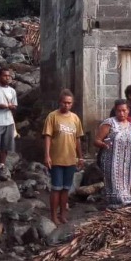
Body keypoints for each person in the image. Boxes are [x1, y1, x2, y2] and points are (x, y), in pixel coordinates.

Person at [42, 89, 85, 225]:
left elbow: (77, 139)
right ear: (60, 102)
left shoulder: (75, 118)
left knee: (66, 188)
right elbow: (47, 137)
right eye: (64, 102)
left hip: (70, 159)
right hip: (56, 159)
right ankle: (53, 215)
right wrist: (47, 155)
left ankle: (63, 215)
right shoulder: (52, 116)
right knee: (56, 188)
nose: (66, 105)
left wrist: (80, 157)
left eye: (69, 103)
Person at [94, 99, 131, 210]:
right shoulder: (109, 123)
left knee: (125, 183)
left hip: (126, 162)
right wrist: (104, 145)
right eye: (119, 111)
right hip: (110, 160)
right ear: (115, 111)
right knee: (115, 184)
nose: (121, 113)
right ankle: (116, 204)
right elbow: (96, 140)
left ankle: (123, 204)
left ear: (128, 111)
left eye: (124, 110)